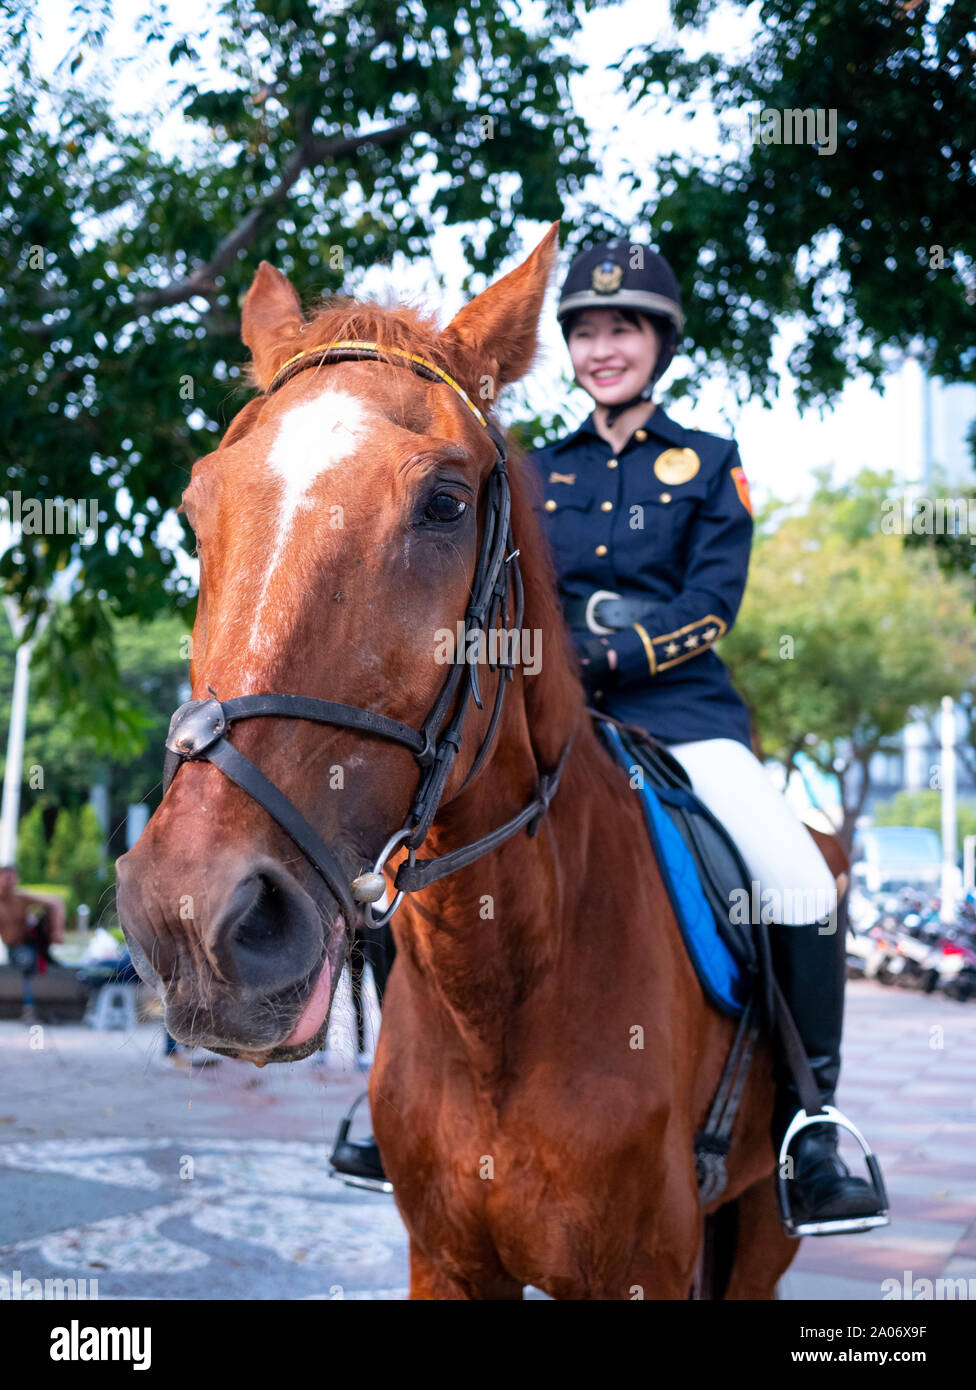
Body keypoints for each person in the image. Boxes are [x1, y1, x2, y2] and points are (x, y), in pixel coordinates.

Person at [525, 237, 886, 1234]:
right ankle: (393, 1097)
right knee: (421, 842)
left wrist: (604, 659)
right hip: (554, 716)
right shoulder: (532, 468)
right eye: (585, 331)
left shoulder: (709, 464)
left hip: (681, 714)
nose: (602, 349)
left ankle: (811, 1125)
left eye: (621, 329)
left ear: (658, 341)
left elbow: (710, 606)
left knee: (800, 880)